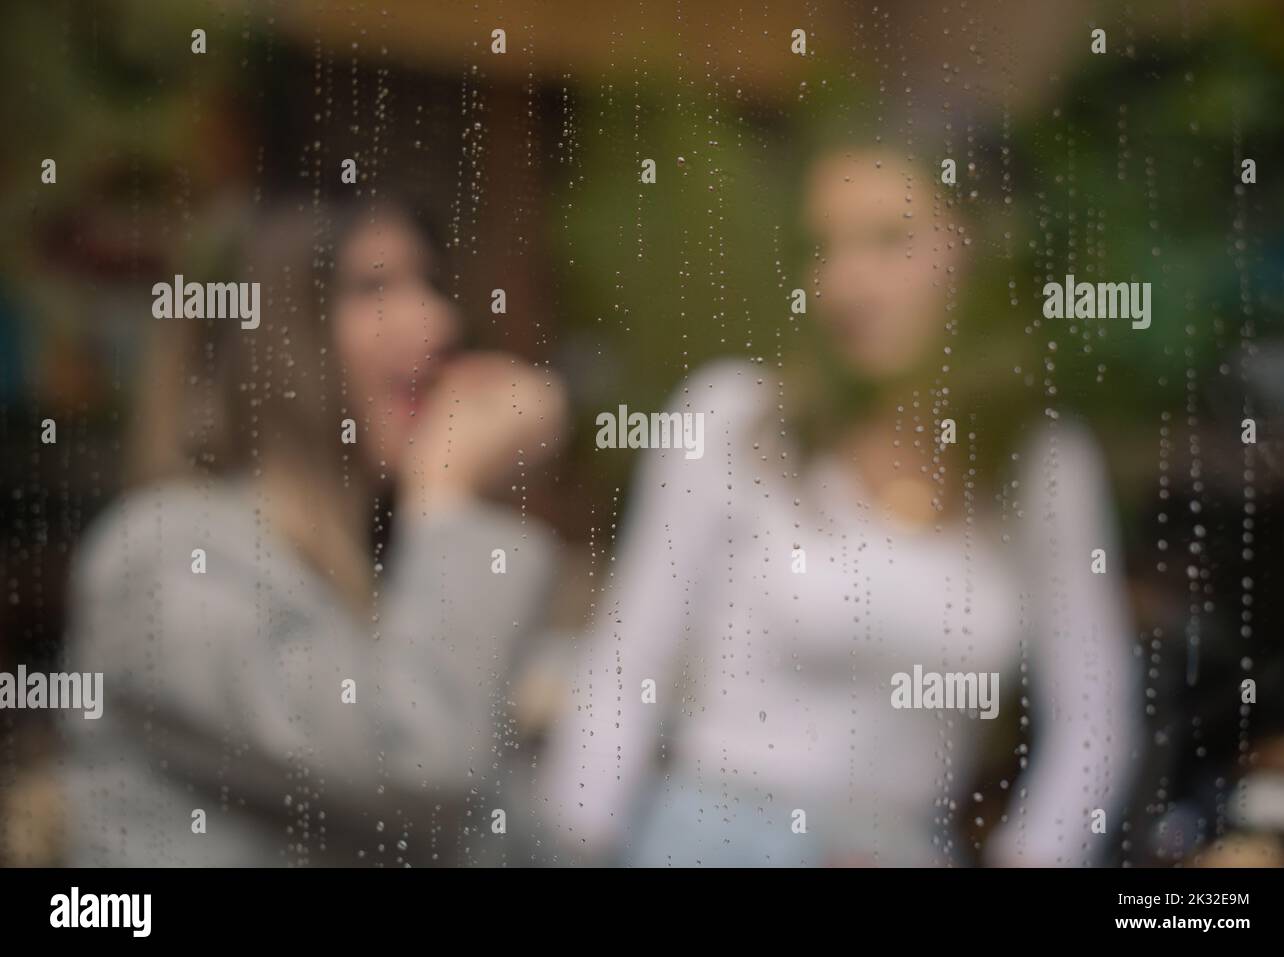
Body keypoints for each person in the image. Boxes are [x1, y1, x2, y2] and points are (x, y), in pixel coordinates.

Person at [539, 145, 1140, 866]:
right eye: (823, 249)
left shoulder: (1041, 465)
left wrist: (1034, 854)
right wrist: (575, 848)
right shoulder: (734, 418)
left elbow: (1095, 721)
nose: (844, 281)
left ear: (979, 251)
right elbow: (624, 669)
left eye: (890, 241)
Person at [59, 197, 565, 866]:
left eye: (430, 284)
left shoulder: (369, 562)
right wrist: (448, 501)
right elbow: (419, 764)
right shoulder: (160, 558)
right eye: (372, 287)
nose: (438, 322)